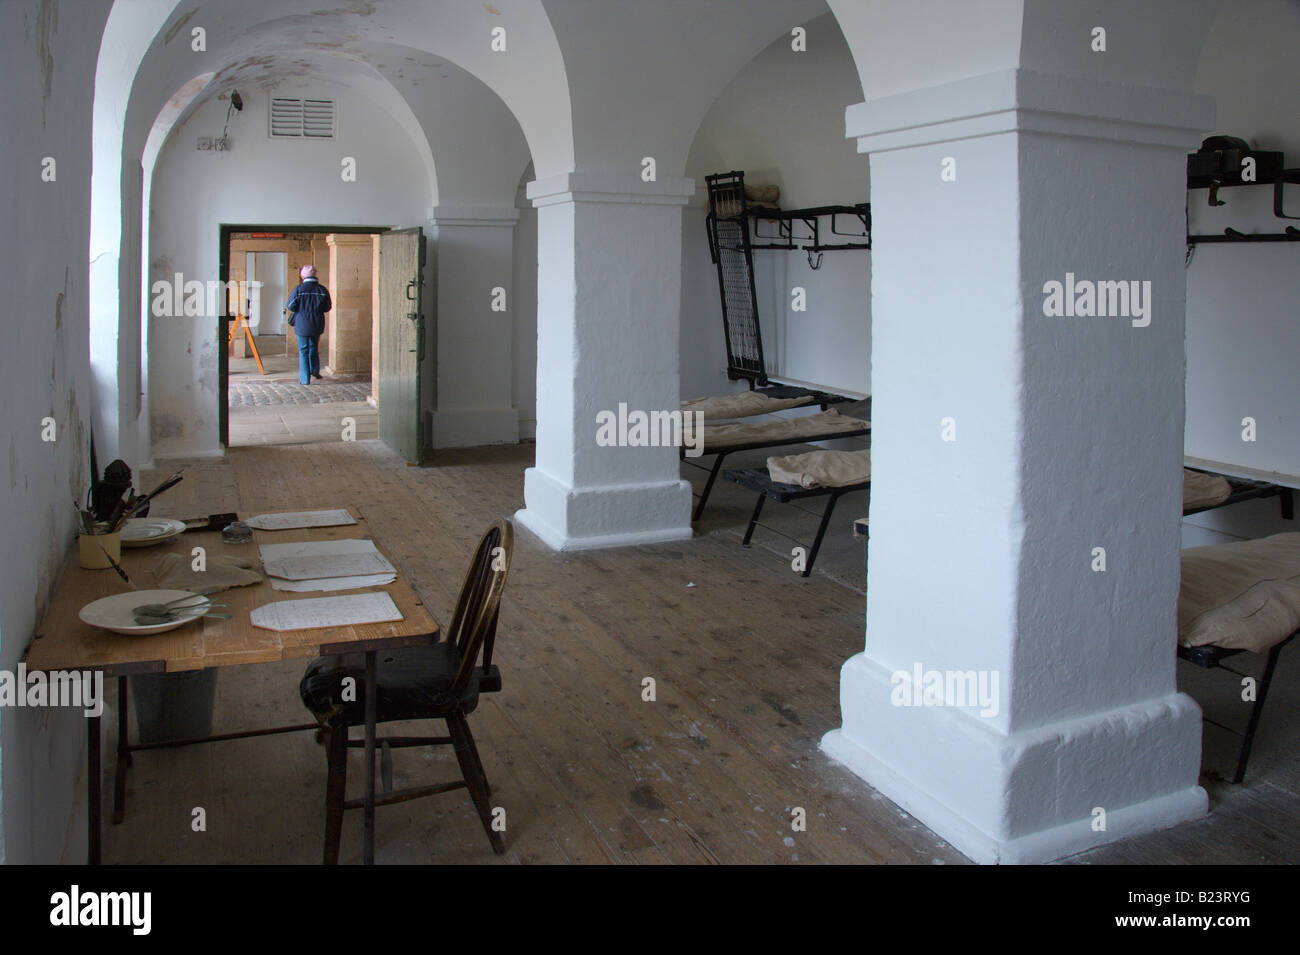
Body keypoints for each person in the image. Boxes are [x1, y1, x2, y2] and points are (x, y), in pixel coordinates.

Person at [285, 264, 332, 384]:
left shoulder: (298, 290)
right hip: (317, 323)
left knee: (303, 350)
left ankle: (305, 378)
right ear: (315, 275)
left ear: (302, 276)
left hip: (302, 324)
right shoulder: (322, 290)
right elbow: (327, 307)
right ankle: (315, 371)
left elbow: (290, 306)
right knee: (314, 347)